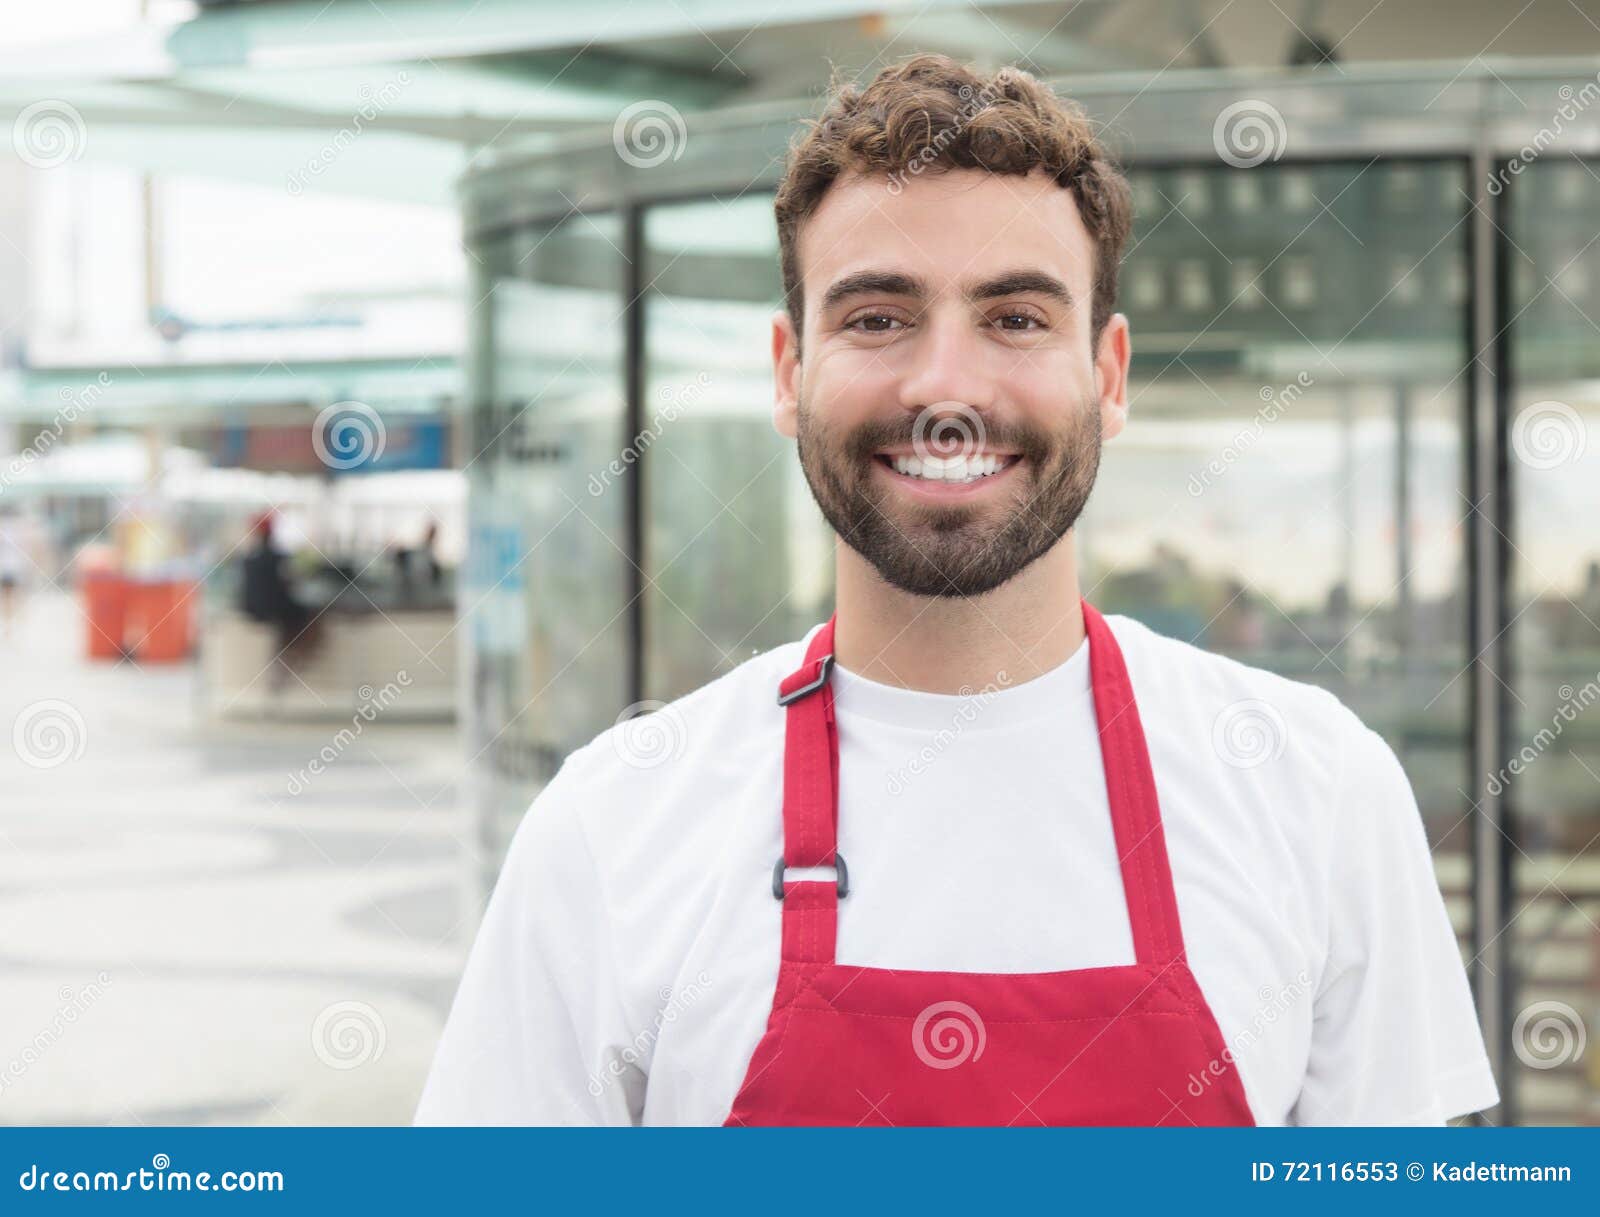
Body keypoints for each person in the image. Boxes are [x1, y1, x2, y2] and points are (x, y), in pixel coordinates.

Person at [415, 55, 1499, 1127]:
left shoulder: (1316, 792)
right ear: (790, 373)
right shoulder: (612, 827)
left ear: (1108, 376)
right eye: (878, 317)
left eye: (1016, 317)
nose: (944, 389)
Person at [237, 511, 319, 689]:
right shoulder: (278, 557)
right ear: (272, 533)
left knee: (293, 621)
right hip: (277, 612)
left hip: (253, 611)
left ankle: (285, 658)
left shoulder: (248, 559)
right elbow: (290, 582)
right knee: (309, 615)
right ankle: (291, 657)